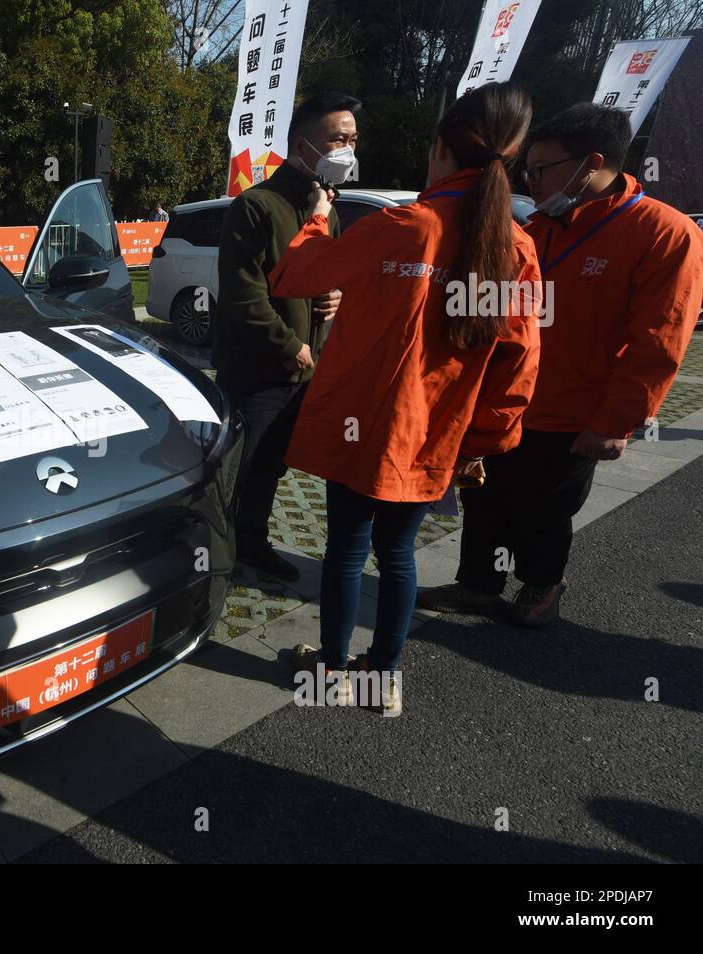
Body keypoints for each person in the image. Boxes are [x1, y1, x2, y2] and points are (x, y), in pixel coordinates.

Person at [268, 82, 542, 714]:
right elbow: (518, 358)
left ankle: (330, 673)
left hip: (362, 426)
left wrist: (314, 215)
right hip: (436, 433)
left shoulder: (404, 226)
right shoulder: (516, 247)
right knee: (397, 554)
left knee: (346, 549)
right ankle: (382, 678)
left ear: (441, 150)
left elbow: (297, 274)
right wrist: (484, 442)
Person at [419, 103, 703, 627]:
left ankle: (541, 586)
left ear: (590, 164)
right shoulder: (541, 224)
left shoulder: (665, 233)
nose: (529, 179)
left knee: (545, 509)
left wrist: (616, 421)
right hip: (502, 398)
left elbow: (659, 340)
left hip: (574, 408)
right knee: (484, 497)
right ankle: (477, 586)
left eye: (539, 169)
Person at [213, 91, 355, 582]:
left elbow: (326, 274)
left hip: (304, 371)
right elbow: (242, 295)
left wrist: (335, 294)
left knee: (273, 467)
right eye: (338, 138)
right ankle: (216, 561)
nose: (348, 150)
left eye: (353, 140)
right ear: (303, 144)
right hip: (259, 372)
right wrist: (288, 344)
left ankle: (252, 544)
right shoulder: (255, 206)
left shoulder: (326, 209)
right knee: (241, 468)